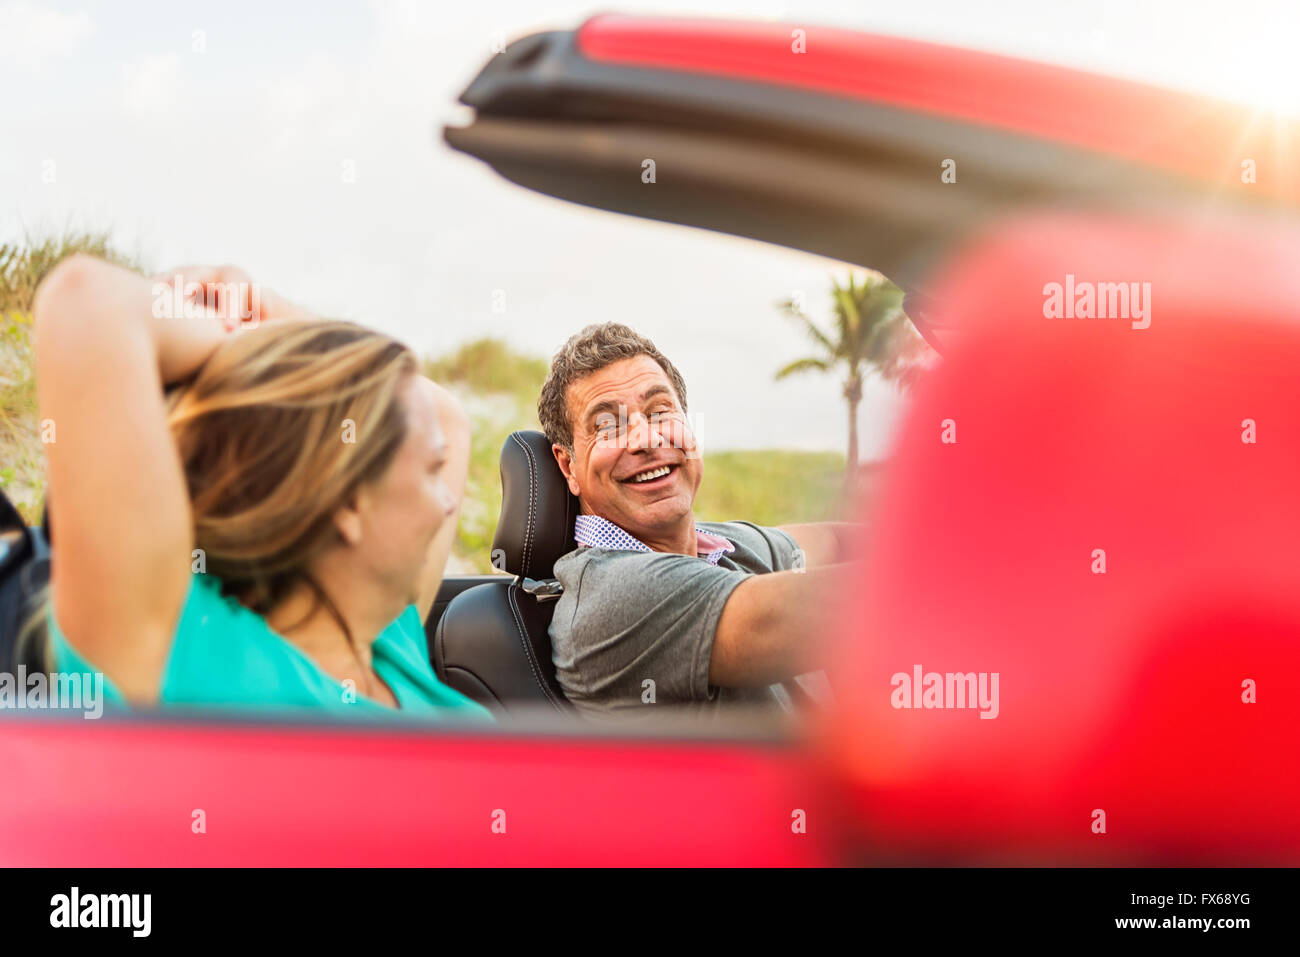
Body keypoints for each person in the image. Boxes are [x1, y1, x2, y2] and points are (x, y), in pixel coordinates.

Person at [31, 256, 489, 721]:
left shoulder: (386, 639)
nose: (449, 500)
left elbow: (444, 418)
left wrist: (265, 313)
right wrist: (238, 337)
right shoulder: (198, 659)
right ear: (350, 500)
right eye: (432, 471)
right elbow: (85, 300)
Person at [537, 322, 858, 719]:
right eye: (607, 426)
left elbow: (838, 542)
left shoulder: (715, 546)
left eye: (660, 412)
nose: (647, 439)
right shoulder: (611, 594)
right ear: (568, 467)